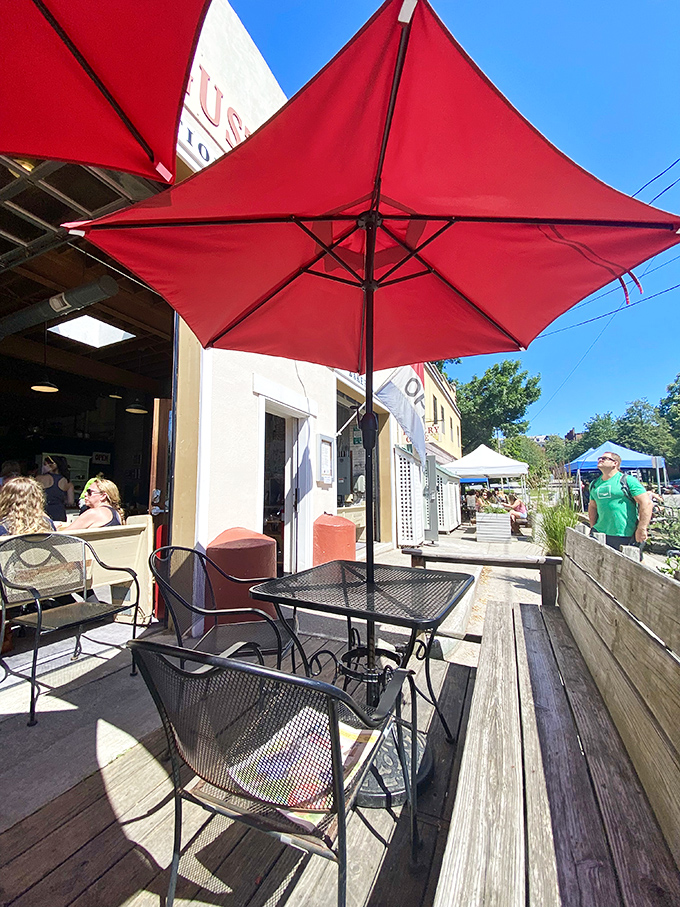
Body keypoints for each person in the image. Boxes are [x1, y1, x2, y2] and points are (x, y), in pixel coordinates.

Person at [588, 452, 651, 551]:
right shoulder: (594, 484)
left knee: (632, 564)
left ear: (615, 463)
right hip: (600, 532)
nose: (600, 460)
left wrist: (642, 528)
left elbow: (646, 503)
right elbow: (592, 506)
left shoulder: (627, 480)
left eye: (604, 458)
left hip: (625, 534)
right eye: (599, 458)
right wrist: (593, 527)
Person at [59, 478, 124, 530]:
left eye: (89, 492)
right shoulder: (117, 514)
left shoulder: (94, 513)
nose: (85, 494)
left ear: (103, 496)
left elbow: (64, 535)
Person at [36, 455, 74, 522]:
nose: (43, 467)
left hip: (42, 511)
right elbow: (70, 502)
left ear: (52, 466)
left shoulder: (39, 478)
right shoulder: (67, 483)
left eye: (45, 464)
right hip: (59, 512)